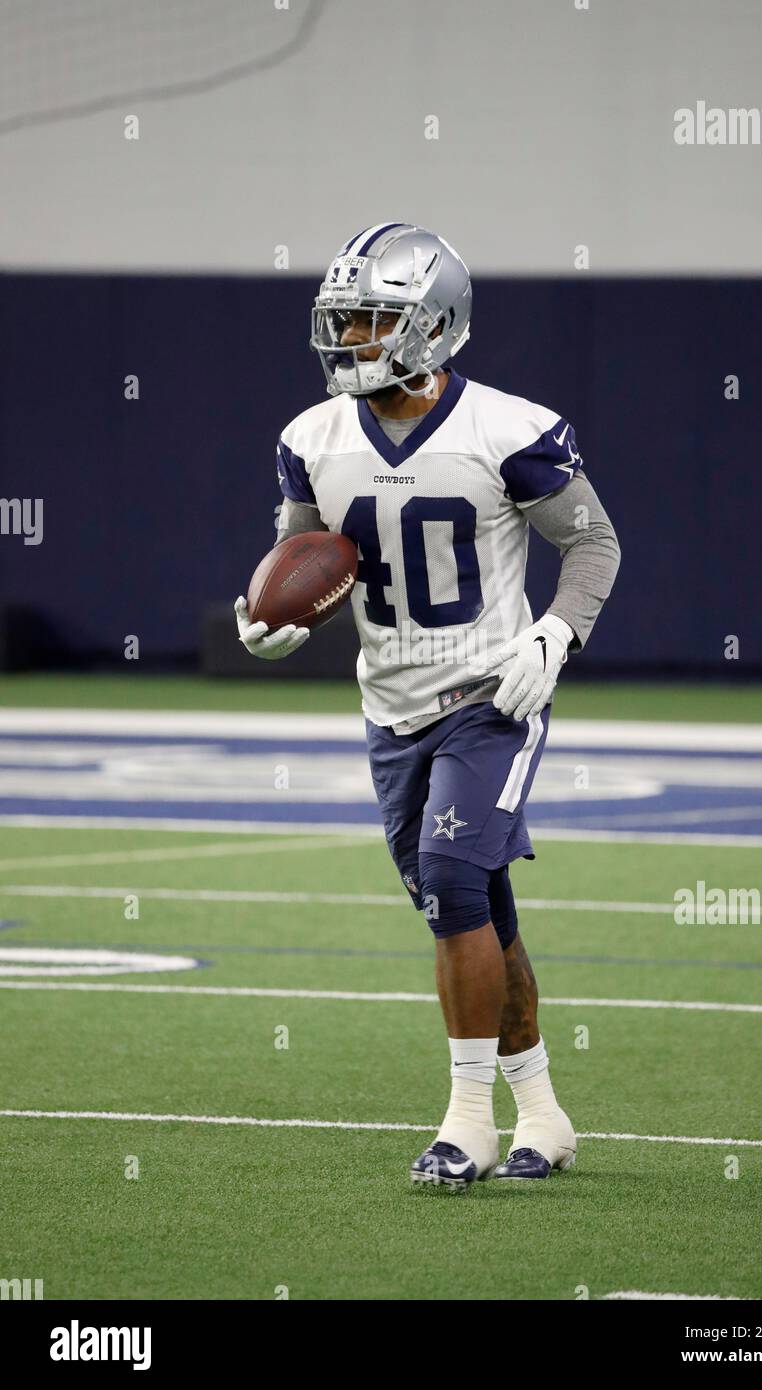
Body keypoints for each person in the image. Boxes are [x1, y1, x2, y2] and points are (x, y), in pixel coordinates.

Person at [236, 222, 621, 1188]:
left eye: (374, 320)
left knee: (453, 881)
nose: (352, 339)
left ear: (434, 326)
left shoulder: (509, 428)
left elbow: (594, 548)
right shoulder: (311, 437)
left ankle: (466, 1125)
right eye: (345, 320)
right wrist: (270, 618)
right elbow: (307, 565)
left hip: (493, 692)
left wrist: (554, 634)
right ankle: (542, 1114)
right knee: (478, 911)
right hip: (391, 707)